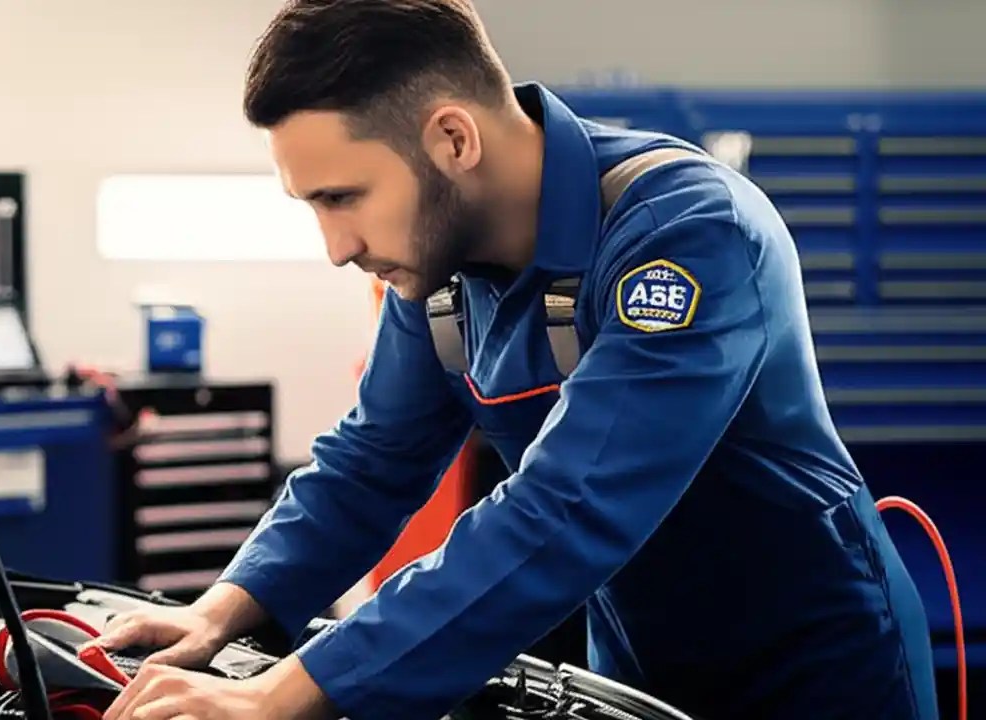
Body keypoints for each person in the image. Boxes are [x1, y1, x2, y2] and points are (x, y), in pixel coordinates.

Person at [93, 1, 939, 718]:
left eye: (343, 197)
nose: (336, 247)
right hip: (635, 664)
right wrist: (223, 614)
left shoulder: (689, 235)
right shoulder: (439, 275)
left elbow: (568, 505)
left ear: (453, 139)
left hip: (813, 668)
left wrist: (283, 695)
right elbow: (371, 461)